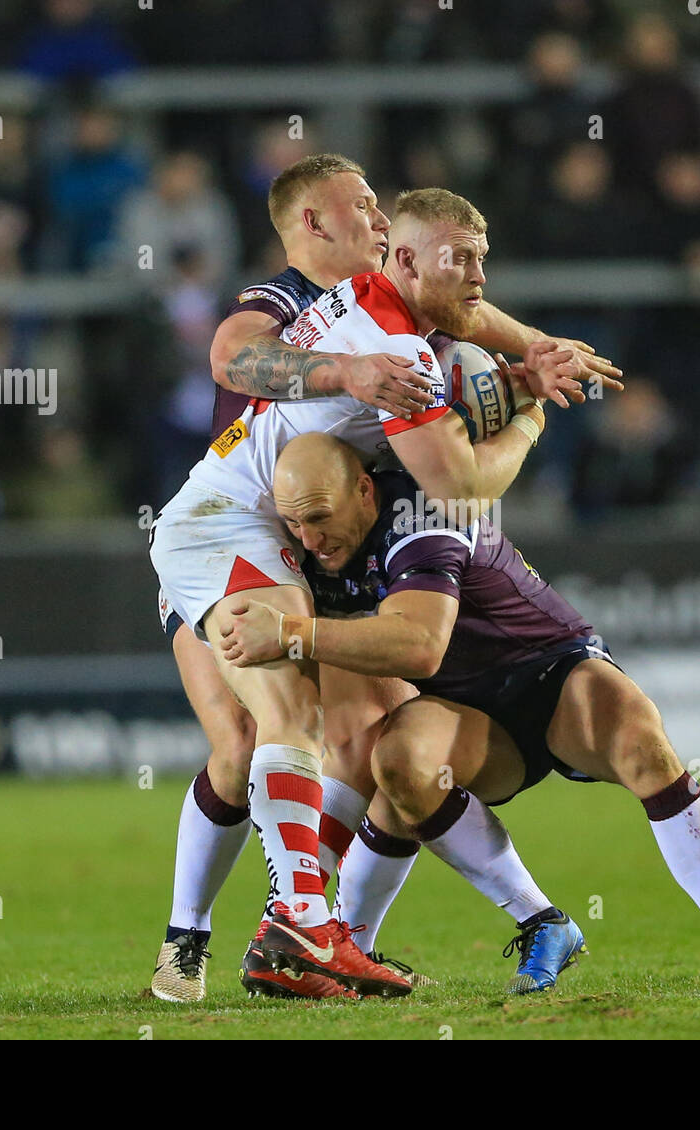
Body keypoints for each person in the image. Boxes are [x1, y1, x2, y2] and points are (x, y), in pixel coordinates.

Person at [149, 159, 622, 1002]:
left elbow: (462, 311)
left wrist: (528, 358)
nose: (375, 211)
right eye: (360, 203)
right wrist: (529, 419)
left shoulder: (380, 298)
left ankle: (309, 932)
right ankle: (269, 930)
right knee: (268, 732)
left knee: (357, 739)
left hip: (277, 529)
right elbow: (458, 487)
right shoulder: (319, 314)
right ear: (316, 224)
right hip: (229, 524)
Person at [222, 434, 700, 996]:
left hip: (551, 671)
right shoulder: (307, 548)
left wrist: (292, 633)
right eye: (294, 522)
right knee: (401, 765)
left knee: (641, 741)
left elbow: (419, 645)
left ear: (364, 490)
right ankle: (534, 923)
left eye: (319, 518)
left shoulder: (422, 512)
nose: (309, 538)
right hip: (468, 712)